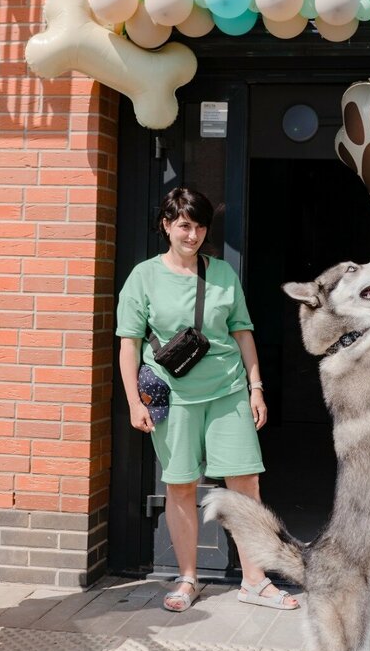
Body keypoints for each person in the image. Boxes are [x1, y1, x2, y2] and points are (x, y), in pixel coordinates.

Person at [116, 187, 299, 613]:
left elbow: (242, 332)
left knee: (245, 481)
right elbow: (128, 344)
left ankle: (255, 580)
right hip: (173, 395)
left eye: (199, 226)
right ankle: (187, 578)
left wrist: (256, 387)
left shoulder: (221, 274)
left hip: (228, 389)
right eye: (184, 225)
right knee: (180, 485)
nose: (192, 234)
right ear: (166, 225)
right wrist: (133, 402)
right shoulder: (143, 277)